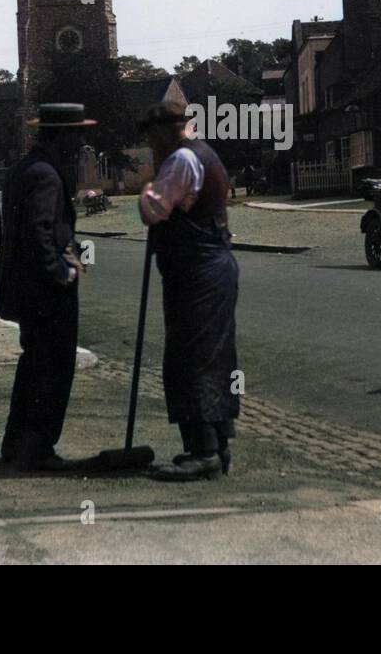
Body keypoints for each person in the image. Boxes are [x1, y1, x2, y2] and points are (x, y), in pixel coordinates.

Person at [137, 101, 240, 481]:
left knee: (190, 357)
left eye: (151, 133)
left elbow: (153, 209)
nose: (150, 141)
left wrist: (146, 189)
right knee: (212, 354)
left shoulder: (181, 160)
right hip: (211, 266)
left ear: (167, 130)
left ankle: (204, 452)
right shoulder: (203, 152)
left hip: (197, 270)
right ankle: (218, 444)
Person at [0, 102, 94, 471]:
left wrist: (69, 245)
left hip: (25, 290)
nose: (81, 140)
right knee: (53, 367)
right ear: (61, 134)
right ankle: (37, 447)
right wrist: (61, 272)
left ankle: (16, 442)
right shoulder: (48, 175)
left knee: (33, 364)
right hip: (47, 293)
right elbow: (39, 232)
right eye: (77, 132)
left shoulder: (25, 168)